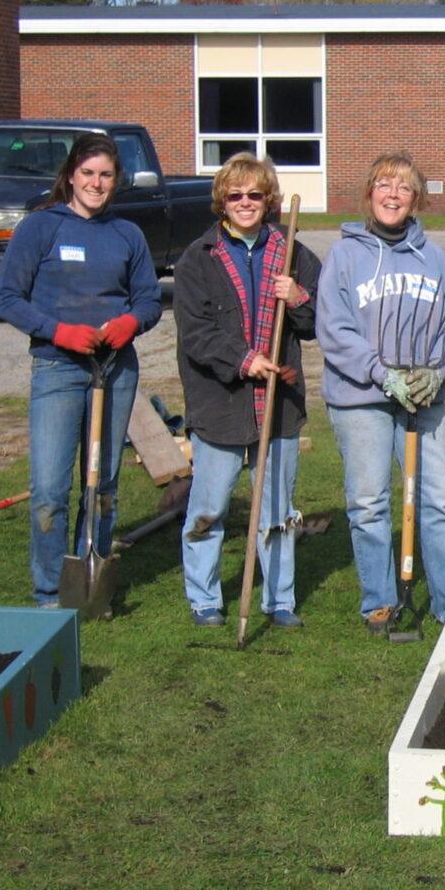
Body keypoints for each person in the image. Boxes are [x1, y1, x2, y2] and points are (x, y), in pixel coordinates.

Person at [316, 152, 445, 632]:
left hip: (423, 397)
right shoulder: (344, 256)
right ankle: (380, 602)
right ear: (369, 193)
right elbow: (334, 328)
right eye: (384, 185)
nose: (393, 195)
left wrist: (437, 371)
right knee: (370, 502)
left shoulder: (431, 257)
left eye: (404, 188)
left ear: (417, 199)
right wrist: (379, 372)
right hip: (361, 399)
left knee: (441, 498)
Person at [0, 132, 162, 608]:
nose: (96, 183)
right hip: (58, 367)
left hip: (113, 369)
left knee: (103, 483)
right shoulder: (41, 228)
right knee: (50, 487)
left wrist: (130, 322)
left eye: (106, 175)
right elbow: (7, 299)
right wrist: (58, 331)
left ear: (117, 180)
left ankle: (91, 582)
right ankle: (50, 591)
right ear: (71, 175)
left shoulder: (126, 234)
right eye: (88, 173)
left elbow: (148, 299)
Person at [174, 153, 320, 630]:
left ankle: (279, 600)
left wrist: (297, 299)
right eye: (235, 195)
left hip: (278, 406)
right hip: (221, 401)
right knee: (209, 508)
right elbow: (195, 333)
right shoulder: (199, 258)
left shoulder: (294, 250)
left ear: (269, 200)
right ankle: (204, 599)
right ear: (222, 201)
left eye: (254, 195)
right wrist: (243, 360)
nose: (245, 202)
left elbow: (319, 323)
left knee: (277, 511)